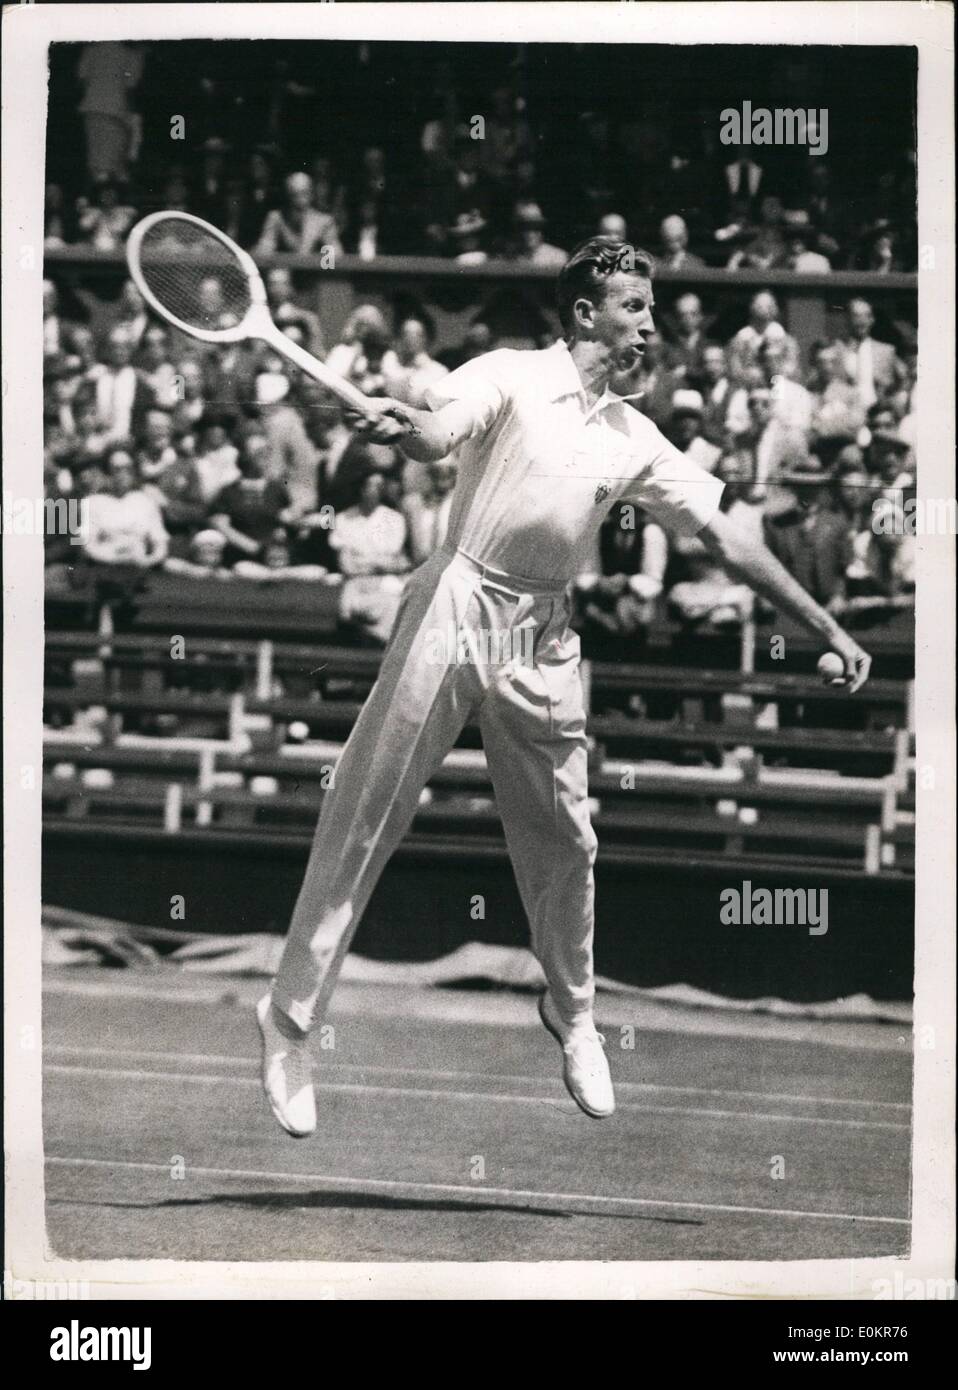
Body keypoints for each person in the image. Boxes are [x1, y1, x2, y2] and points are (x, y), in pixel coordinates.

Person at [257, 236, 871, 1137]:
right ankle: (289, 1018)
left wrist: (823, 624)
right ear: (587, 313)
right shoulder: (506, 374)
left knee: (568, 837)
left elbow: (727, 538)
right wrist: (411, 430)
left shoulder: (635, 436)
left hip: (543, 632)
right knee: (367, 807)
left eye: (653, 310)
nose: (651, 326)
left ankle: (574, 1010)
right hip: (457, 598)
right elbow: (439, 431)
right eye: (636, 309)